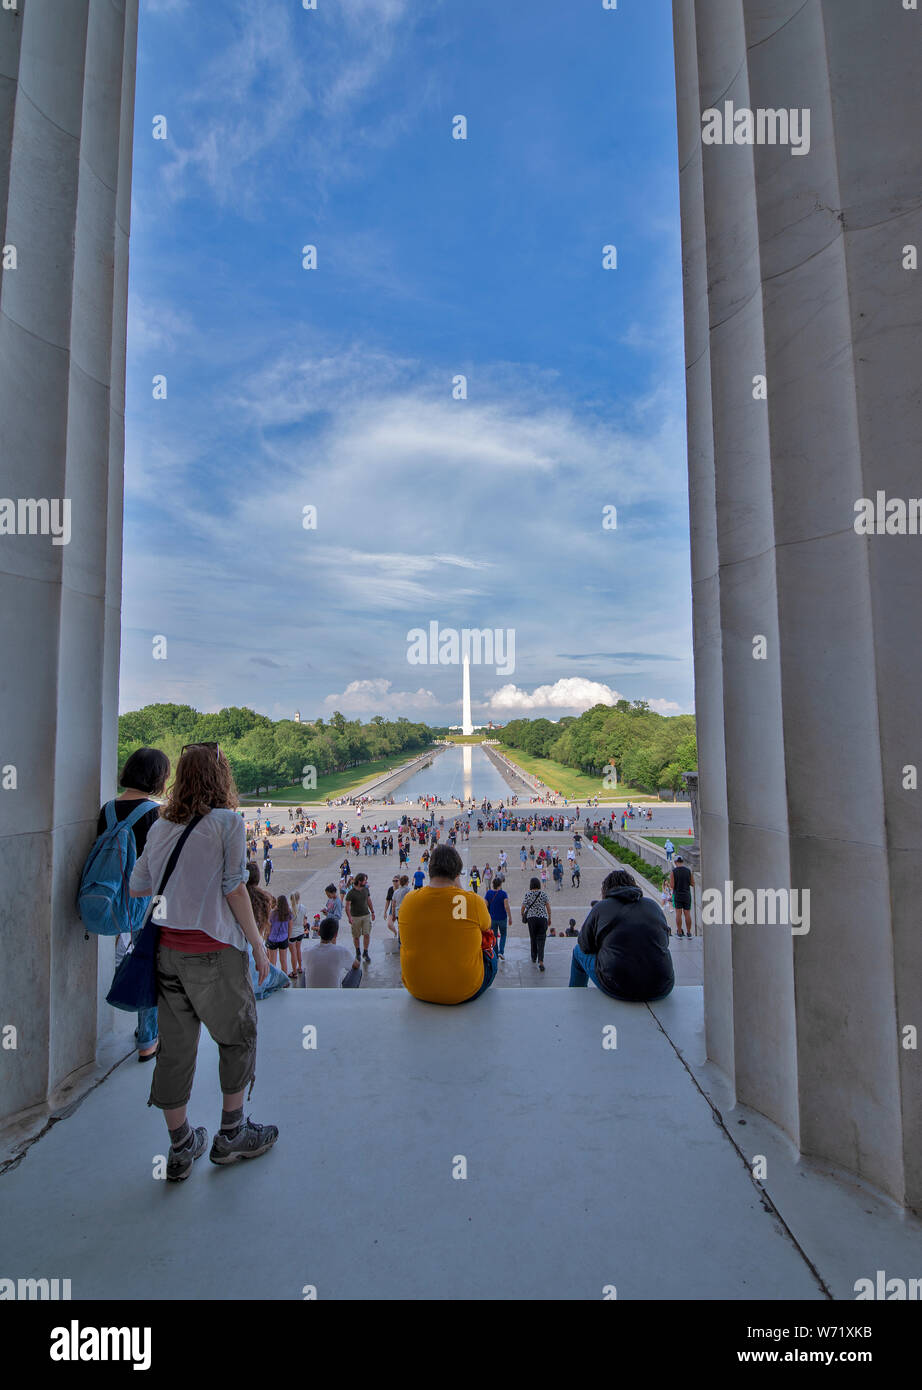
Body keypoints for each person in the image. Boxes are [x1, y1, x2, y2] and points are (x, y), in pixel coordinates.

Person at [128, 743, 277, 1181]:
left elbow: (139, 885)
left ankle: (180, 1146)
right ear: (221, 777)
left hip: (167, 953)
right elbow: (234, 888)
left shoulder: (160, 826)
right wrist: (256, 942)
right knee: (237, 1036)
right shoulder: (228, 822)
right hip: (213, 951)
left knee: (174, 1051)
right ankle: (231, 1133)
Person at [98, 747, 170, 1061]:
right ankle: (148, 1039)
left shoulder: (107, 809)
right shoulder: (152, 812)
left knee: (126, 956)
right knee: (148, 967)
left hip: (111, 896)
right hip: (142, 900)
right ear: (157, 777)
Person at [398, 844, 496, 1005]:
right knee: (488, 937)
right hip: (465, 990)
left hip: (417, 987)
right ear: (457, 873)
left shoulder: (409, 900)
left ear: (430, 869)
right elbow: (487, 927)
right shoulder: (471, 901)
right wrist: (459, 889)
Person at [569, 869, 674, 1001]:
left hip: (617, 986)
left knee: (578, 952)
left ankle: (574, 998)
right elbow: (664, 941)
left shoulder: (601, 907)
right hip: (662, 985)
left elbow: (584, 945)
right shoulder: (653, 906)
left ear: (606, 889)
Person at [303, 917, 362, 989]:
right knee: (358, 971)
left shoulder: (307, 952)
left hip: (312, 997)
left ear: (318, 933)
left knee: (303, 971)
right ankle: (348, 994)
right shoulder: (341, 951)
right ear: (336, 935)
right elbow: (357, 965)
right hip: (334, 997)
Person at [521, 877, 551, 971]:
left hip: (532, 919)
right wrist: (549, 917)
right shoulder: (543, 894)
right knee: (542, 939)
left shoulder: (528, 894)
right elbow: (548, 907)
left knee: (533, 938)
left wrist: (523, 915)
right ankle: (541, 961)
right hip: (542, 918)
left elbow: (523, 907)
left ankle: (534, 957)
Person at [344, 871, 375, 963]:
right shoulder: (351, 893)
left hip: (366, 915)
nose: (366, 882)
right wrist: (349, 917)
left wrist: (372, 912)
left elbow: (369, 900)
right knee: (356, 935)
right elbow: (347, 907)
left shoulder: (366, 889)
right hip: (355, 917)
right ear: (359, 881)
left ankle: (365, 951)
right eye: (365, 880)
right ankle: (358, 951)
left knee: (367, 934)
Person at [484, 876, 511, 960]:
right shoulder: (503, 893)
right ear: (500, 885)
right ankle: (501, 952)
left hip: (492, 918)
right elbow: (506, 906)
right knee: (503, 934)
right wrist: (510, 917)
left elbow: (485, 906)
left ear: (493, 885)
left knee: (494, 936)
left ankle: (495, 953)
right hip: (502, 917)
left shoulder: (488, 893)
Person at [267, 895, 292, 974]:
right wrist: (288, 937)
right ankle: (285, 980)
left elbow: (269, 927)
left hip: (272, 938)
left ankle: (272, 980)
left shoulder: (272, 913)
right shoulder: (288, 914)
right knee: (283, 960)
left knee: (272, 961)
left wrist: (267, 936)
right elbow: (290, 927)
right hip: (284, 938)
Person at [669, 856, 695, 937]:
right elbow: (693, 884)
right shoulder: (688, 871)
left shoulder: (674, 872)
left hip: (678, 895)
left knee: (678, 913)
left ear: (676, 862)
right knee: (687, 913)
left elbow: (672, 885)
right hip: (687, 894)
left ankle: (679, 932)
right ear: (682, 862)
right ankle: (689, 932)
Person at [288, 891, 306, 976]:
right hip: (300, 931)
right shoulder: (303, 907)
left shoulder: (290, 909)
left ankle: (294, 971)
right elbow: (304, 921)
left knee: (293, 953)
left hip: (292, 933)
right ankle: (300, 967)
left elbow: (289, 924)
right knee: (298, 949)